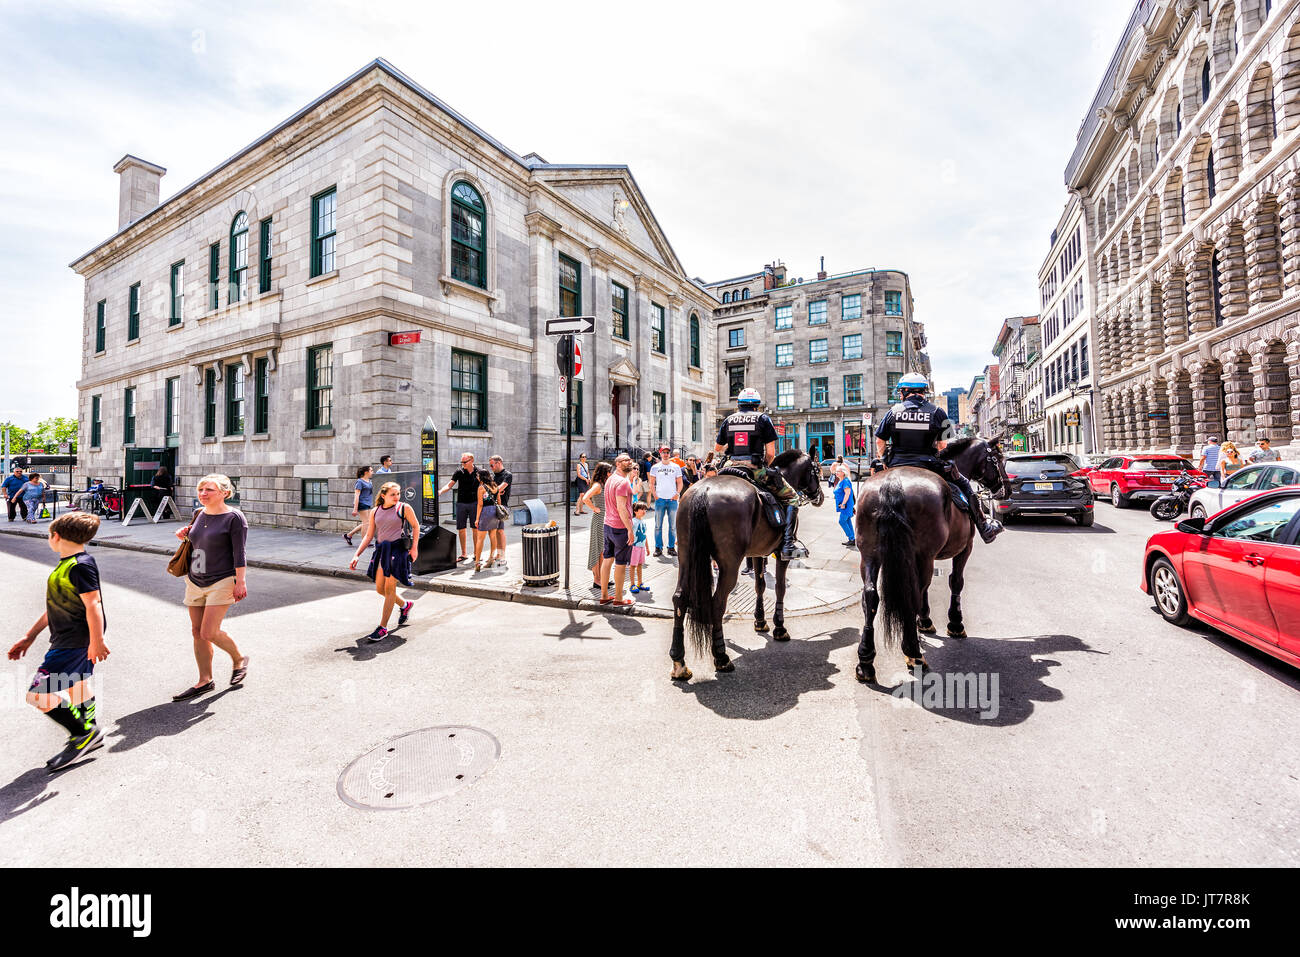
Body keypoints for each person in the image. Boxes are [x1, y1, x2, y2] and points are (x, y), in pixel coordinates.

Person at [7, 512, 108, 772]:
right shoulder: (69, 564)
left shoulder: (79, 565)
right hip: (70, 638)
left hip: (74, 640)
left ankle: (82, 733)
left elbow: (93, 603)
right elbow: (54, 606)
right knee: (78, 686)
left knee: (38, 695)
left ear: (56, 536)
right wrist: (30, 636)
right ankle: (90, 731)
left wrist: (96, 641)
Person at [873, 372, 1003, 544]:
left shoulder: (892, 412)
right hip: (928, 465)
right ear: (923, 392)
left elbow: (879, 441)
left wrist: (884, 459)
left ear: (904, 391)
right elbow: (943, 445)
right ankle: (985, 528)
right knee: (964, 484)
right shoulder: (938, 412)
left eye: (900, 392)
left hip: (897, 464)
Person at [170, 475, 249, 701]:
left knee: (209, 632)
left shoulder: (234, 518)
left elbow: (239, 552)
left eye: (209, 490)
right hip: (195, 577)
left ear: (224, 492)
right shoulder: (198, 514)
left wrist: (240, 581)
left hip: (222, 579)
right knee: (197, 632)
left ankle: (239, 659)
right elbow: (198, 539)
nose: (203, 493)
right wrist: (184, 533)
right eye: (201, 489)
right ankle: (205, 680)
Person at [711, 387, 806, 560]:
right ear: (756, 405)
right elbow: (770, 452)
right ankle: (787, 543)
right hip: (754, 468)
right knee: (792, 497)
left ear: (739, 404)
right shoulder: (763, 418)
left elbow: (717, 448)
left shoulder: (729, 419)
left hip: (730, 466)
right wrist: (766, 466)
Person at [348, 481, 418, 642]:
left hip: (398, 550)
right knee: (380, 589)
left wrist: (414, 548)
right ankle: (405, 605)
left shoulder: (404, 508)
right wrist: (357, 554)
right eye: (393, 494)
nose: (396, 497)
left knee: (390, 588)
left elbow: (415, 526)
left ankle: (383, 627)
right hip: (382, 550)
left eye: (398, 493)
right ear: (384, 495)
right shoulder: (375, 511)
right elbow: (368, 535)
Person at [599, 453, 636, 607]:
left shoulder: (610, 480)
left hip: (608, 526)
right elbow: (622, 508)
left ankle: (604, 596)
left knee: (607, 560)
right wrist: (629, 529)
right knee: (620, 564)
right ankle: (619, 599)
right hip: (620, 528)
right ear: (618, 463)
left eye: (630, 460)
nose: (630, 462)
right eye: (626, 460)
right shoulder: (622, 482)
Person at [438, 453, 481, 562]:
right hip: (461, 503)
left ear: (471, 460)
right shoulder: (459, 472)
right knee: (461, 528)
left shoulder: (479, 471)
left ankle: (477, 553)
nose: (462, 464)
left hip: (475, 503)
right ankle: (464, 554)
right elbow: (450, 484)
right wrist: (440, 491)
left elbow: (486, 485)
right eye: (461, 462)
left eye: (464, 462)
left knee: (475, 528)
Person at [579, 461, 613, 590]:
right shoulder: (598, 485)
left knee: (603, 551)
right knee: (598, 550)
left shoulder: (604, 484)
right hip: (599, 519)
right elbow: (585, 498)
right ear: (604, 473)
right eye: (609, 471)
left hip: (604, 519)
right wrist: (594, 508)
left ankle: (602, 578)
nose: (611, 473)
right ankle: (597, 580)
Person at [649, 444, 683, 557]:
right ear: (660, 453)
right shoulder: (655, 467)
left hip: (672, 500)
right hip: (660, 500)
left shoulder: (676, 467)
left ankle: (671, 547)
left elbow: (680, 482)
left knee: (673, 526)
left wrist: (677, 494)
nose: (665, 454)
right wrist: (655, 494)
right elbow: (651, 483)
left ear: (670, 454)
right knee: (658, 525)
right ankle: (658, 547)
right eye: (663, 452)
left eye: (667, 452)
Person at [473, 467, 504, 570]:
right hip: (494, 512)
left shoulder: (481, 487)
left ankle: (477, 563)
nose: (477, 477)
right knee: (493, 536)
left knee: (480, 538)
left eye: (477, 475)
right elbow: (499, 501)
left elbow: (480, 505)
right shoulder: (495, 486)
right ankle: (491, 558)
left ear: (481, 477)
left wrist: (477, 519)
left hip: (485, 512)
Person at [487, 455, 512, 568]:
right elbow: (490, 490)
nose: (491, 467)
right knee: (494, 531)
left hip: (502, 507)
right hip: (492, 505)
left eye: (492, 465)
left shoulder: (507, 475)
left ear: (498, 463)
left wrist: (495, 491)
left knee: (500, 531)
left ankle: (503, 556)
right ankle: (498, 553)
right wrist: (495, 491)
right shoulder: (493, 476)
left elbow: (500, 488)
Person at [344, 466, 374, 546]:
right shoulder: (359, 482)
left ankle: (349, 535)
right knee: (366, 523)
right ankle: (365, 542)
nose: (372, 472)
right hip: (362, 503)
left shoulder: (369, 481)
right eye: (371, 470)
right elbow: (356, 495)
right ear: (366, 472)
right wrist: (355, 509)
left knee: (367, 522)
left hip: (368, 503)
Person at [628, 502, 650, 594]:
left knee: (640, 565)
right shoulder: (633, 521)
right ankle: (632, 584)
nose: (644, 511)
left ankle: (640, 583)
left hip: (641, 548)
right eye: (642, 509)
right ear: (635, 511)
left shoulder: (643, 522)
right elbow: (629, 533)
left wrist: (647, 548)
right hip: (634, 547)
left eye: (645, 509)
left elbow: (645, 536)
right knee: (633, 565)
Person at [835, 464, 856, 546]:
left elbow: (847, 493)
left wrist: (843, 504)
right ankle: (852, 539)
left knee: (842, 521)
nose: (836, 473)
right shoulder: (841, 481)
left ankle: (851, 537)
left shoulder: (845, 481)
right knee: (847, 521)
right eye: (836, 471)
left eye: (838, 471)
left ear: (843, 472)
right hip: (843, 505)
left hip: (846, 505)